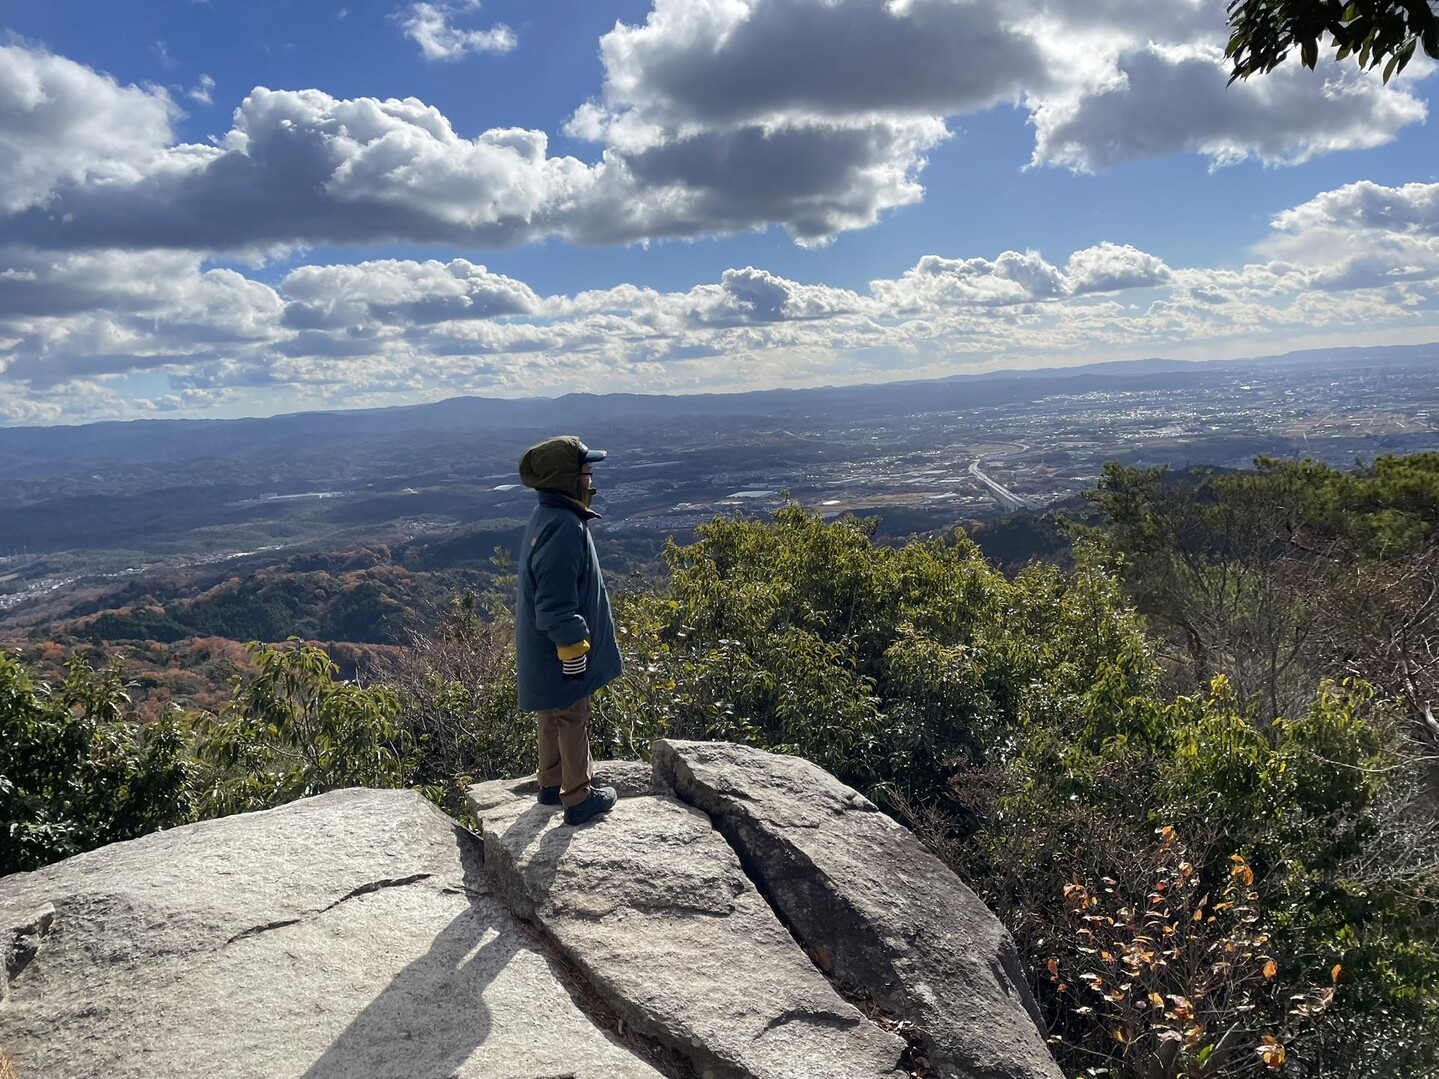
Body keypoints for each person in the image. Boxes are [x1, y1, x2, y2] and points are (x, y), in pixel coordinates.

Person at [514, 435, 623, 826]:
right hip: (561, 648)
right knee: (572, 713)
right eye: (586, 472)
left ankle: (550, 783)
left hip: (543, 649)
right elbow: (556, 602)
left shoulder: (547, 517)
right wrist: (574, 650)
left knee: (552, 713)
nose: (591, 481)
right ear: (567, 479)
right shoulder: (563, 527)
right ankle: (578, 796)